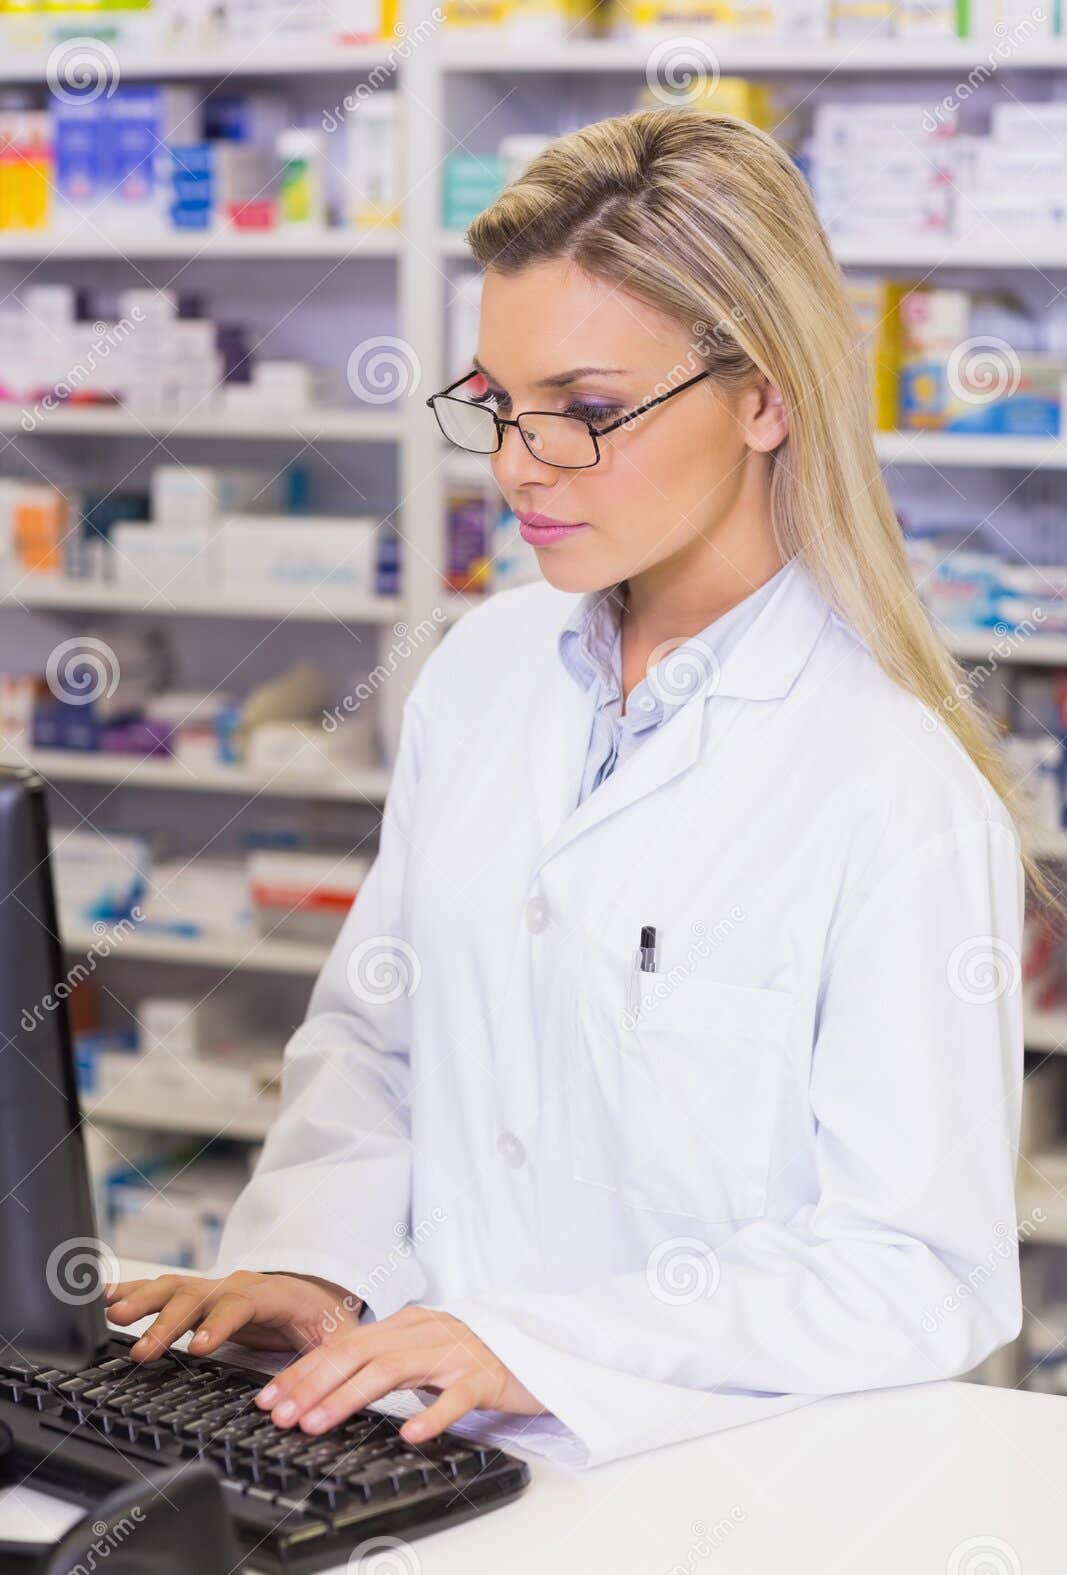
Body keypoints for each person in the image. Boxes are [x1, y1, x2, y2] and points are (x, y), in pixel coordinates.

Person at [105, 106, 1039, 1468]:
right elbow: (382, 1041)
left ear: (767, 393)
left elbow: (917, 1267)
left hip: (713, 1501)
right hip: (419, 1451)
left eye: (588, 411)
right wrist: (322, 1272)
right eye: (497, 401)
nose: (516, 464)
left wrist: (543, 1348)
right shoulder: (481, 670)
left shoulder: (892, 782)